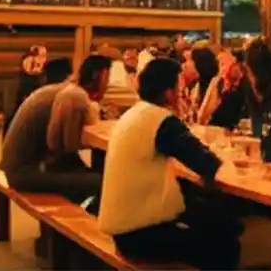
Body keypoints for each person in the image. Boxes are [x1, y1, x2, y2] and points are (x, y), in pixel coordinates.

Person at [98, 59, 242, 269]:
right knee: (226, 244)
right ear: (169, 93)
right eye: (178, 87)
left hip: (123, 228)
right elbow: (206, 163)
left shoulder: (134, 113)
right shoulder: (162, 121)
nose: (181, 92)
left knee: (219, 221)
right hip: (140, 234)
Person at [1, 56, 107, 203]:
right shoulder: (74, 97)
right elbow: (58, 144)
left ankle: (80, 210)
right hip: (24, 173)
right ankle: (84, 215)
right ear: (101, 77)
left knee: (85, 174)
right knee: (99, 181)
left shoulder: (65, 89)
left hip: (18, 166)